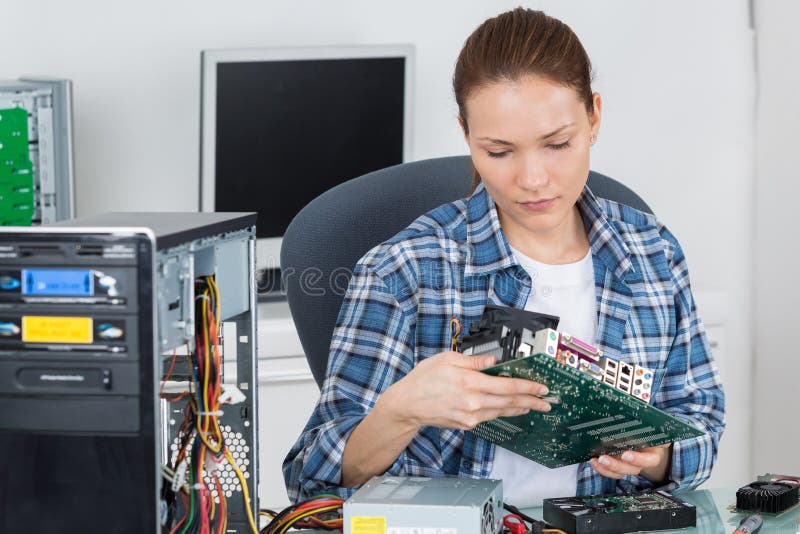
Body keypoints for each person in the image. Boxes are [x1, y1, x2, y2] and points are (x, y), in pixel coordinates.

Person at [283, 8, 725, 507]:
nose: (533, 179)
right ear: (466, 135)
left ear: (594, 116)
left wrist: (658, 455)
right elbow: (309, 480)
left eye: (557, 144)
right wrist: (400, 412)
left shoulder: (653, 253)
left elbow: (701, 424)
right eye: (498, 151)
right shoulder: (403, 270)